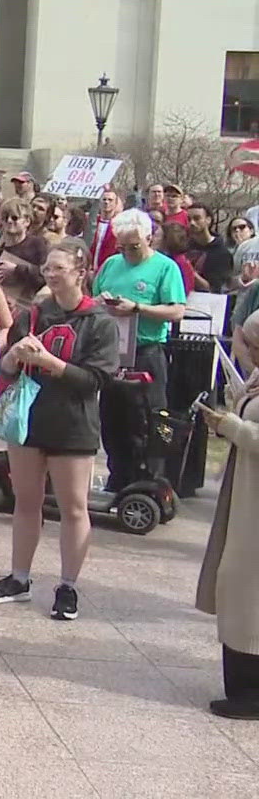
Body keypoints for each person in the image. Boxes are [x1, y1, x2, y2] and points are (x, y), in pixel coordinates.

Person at [0, 239, 120, 621]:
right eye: (48, 268)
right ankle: (19, 578)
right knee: (26, 501)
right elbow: (6, 368)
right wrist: (14, 355)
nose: (51, 275)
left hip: (74, 423)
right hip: (31, 418)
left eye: (59, 268)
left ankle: (68, 586)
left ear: (81, 272)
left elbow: (96, 379)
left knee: (73, 507)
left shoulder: (99, 321)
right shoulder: (35, 313)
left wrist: (49, 362)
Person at [92, 209, 186, 489]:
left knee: (146, 418)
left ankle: (148, 478)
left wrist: (137, 307)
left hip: (147, 349)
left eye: (134, 247)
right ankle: (117, 474)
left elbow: (176, 311)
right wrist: (101, 302)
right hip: (113, 351)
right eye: (122, 247)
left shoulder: (165, 267)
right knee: (112, 417)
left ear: (148, 238)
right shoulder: (111, 264)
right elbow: (94, 296)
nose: (128, 252)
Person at [200, 316, 259, 719]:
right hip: (243, 492)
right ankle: (239, 684)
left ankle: (251, 692)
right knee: (236, 582)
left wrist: (232, 425)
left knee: (249, 588)